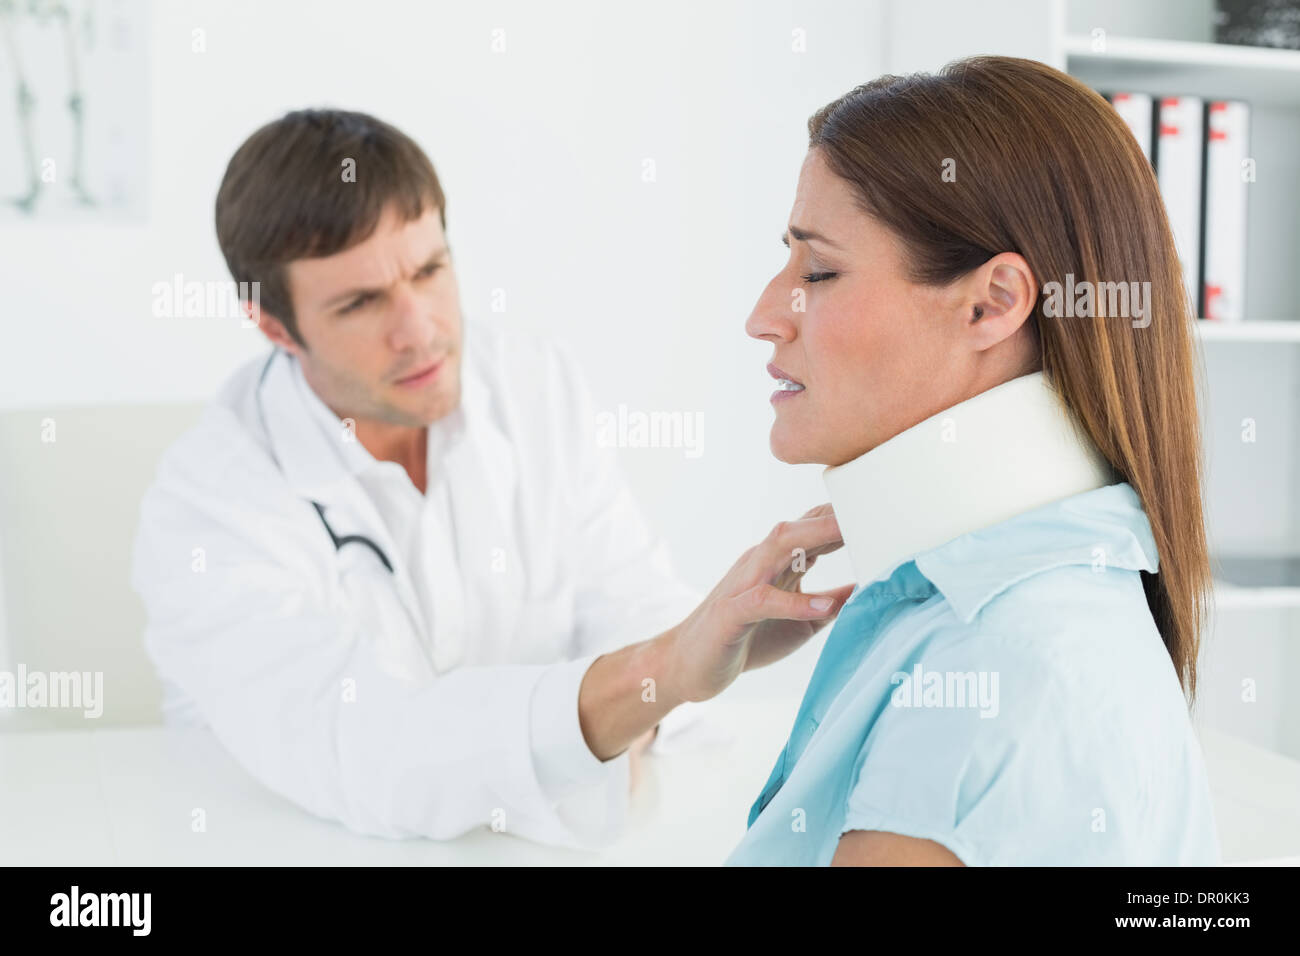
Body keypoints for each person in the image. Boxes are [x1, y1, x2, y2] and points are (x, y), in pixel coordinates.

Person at [130, 109, 853, 851]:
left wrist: (635, 692)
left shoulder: (531, 385)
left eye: (428, 270)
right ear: (275, 328)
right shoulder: (209, 505)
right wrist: (653, 680)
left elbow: (634, 606)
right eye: (360, 302)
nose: (419, 330)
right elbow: (366, 752)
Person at [724, 55, 1222, 865]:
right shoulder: (1013, 612)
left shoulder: (993, 678)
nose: (763, 316)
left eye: (818, 269)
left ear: (991, 304)